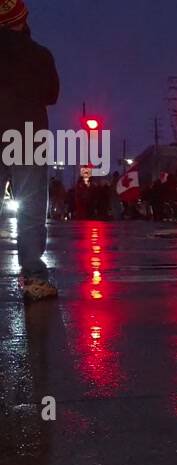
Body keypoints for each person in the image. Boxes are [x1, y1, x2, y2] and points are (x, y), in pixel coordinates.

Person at [0, 0, 59, 301]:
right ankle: (34, 276)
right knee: (32, 208)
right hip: (27, 137)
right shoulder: (39, 55)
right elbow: (52, 94)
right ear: (23, 20)